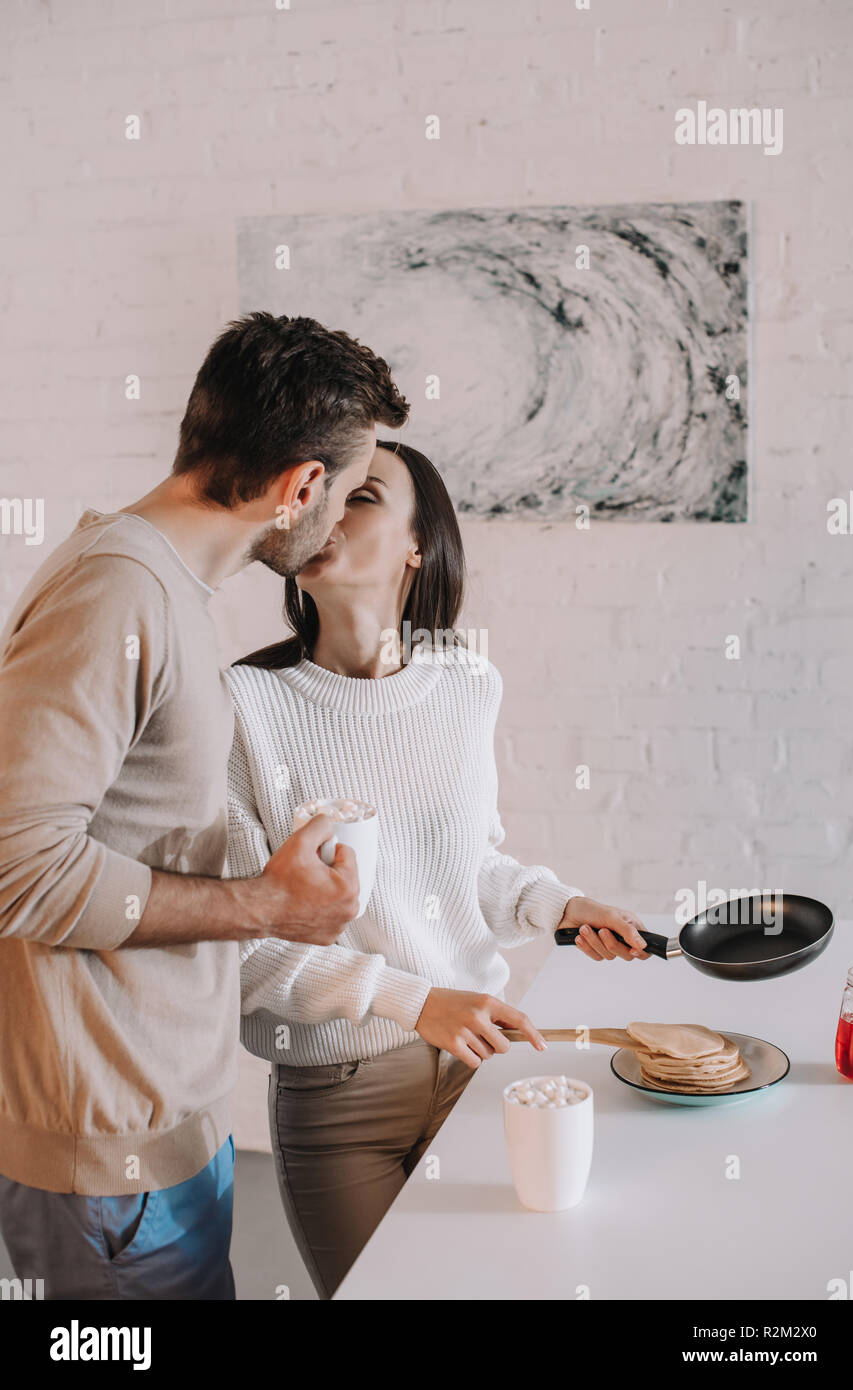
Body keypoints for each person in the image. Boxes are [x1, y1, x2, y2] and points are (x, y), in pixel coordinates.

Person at [0, 312, 408, 1300]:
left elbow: (128, 827)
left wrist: (267, 859)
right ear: (300, 485)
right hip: (109, 1155)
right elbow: (20, 865)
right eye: (349, 491)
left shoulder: (166, 587)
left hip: (169, 1117)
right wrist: (270, 908)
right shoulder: (118, 594)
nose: (343, 516)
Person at [224, 438, 650, 1300]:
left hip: (478, 1070)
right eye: (321, 493)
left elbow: (464, 867)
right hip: (338, 1096)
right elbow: (242, 944)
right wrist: (417, 1002)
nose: (327, 511)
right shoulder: (243, 706)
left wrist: (559, 906)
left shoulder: (465, 685)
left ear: (420, 542)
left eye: (363, 495)